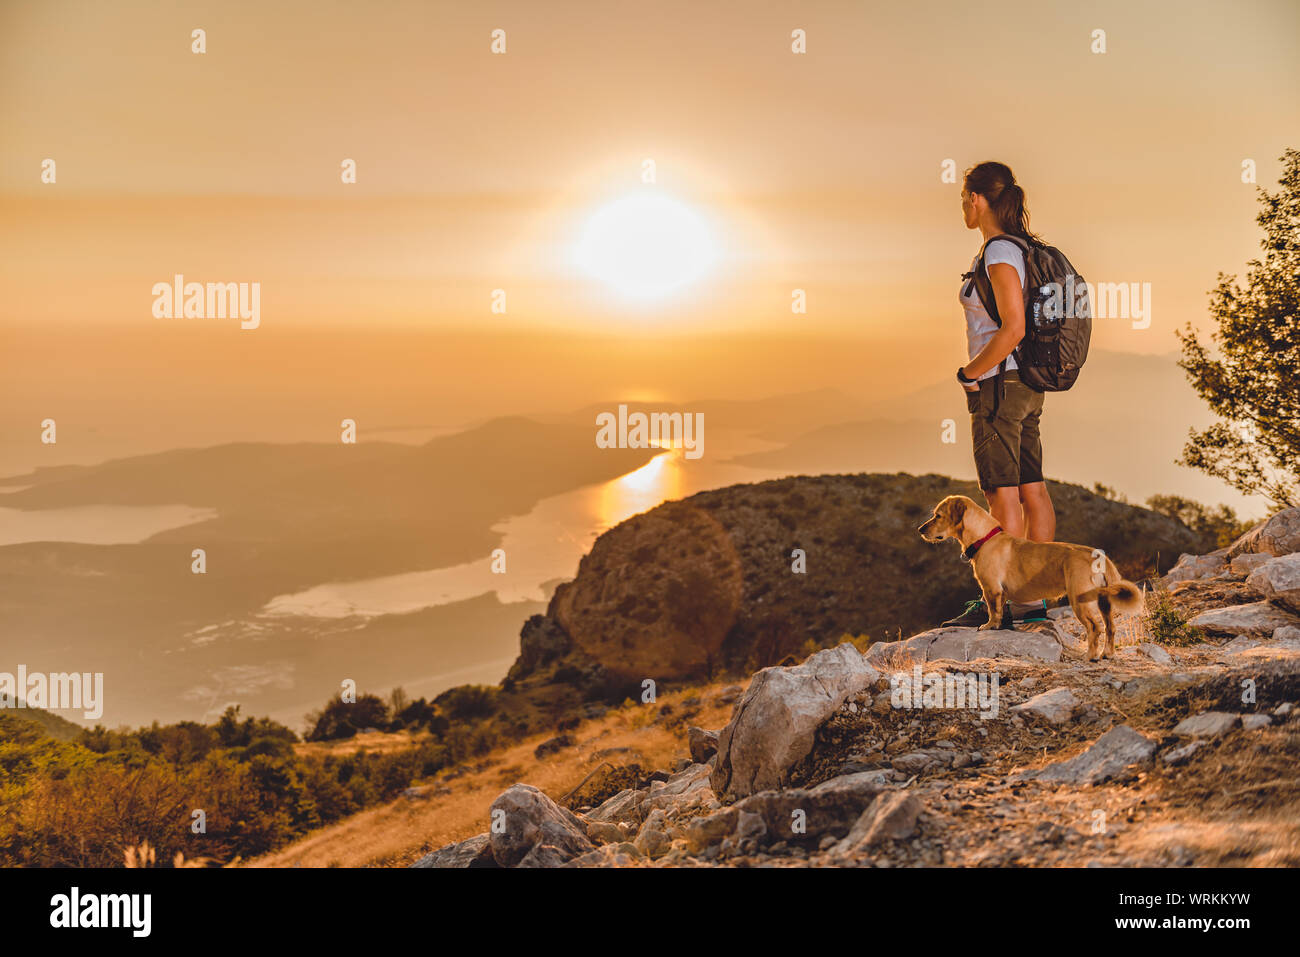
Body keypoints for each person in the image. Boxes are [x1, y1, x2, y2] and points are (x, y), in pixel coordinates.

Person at [944, 161, 1055, 629]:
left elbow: (1013, 327)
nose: (963, 207)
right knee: (1032, 488)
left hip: (999, 386)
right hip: (1026, 384)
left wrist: (970, 373)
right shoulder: (1023, 248)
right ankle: (1035, 599)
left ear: (976, 200)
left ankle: (1009, 602)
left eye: (964, 199)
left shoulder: (998, 253)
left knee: (1000, 493)